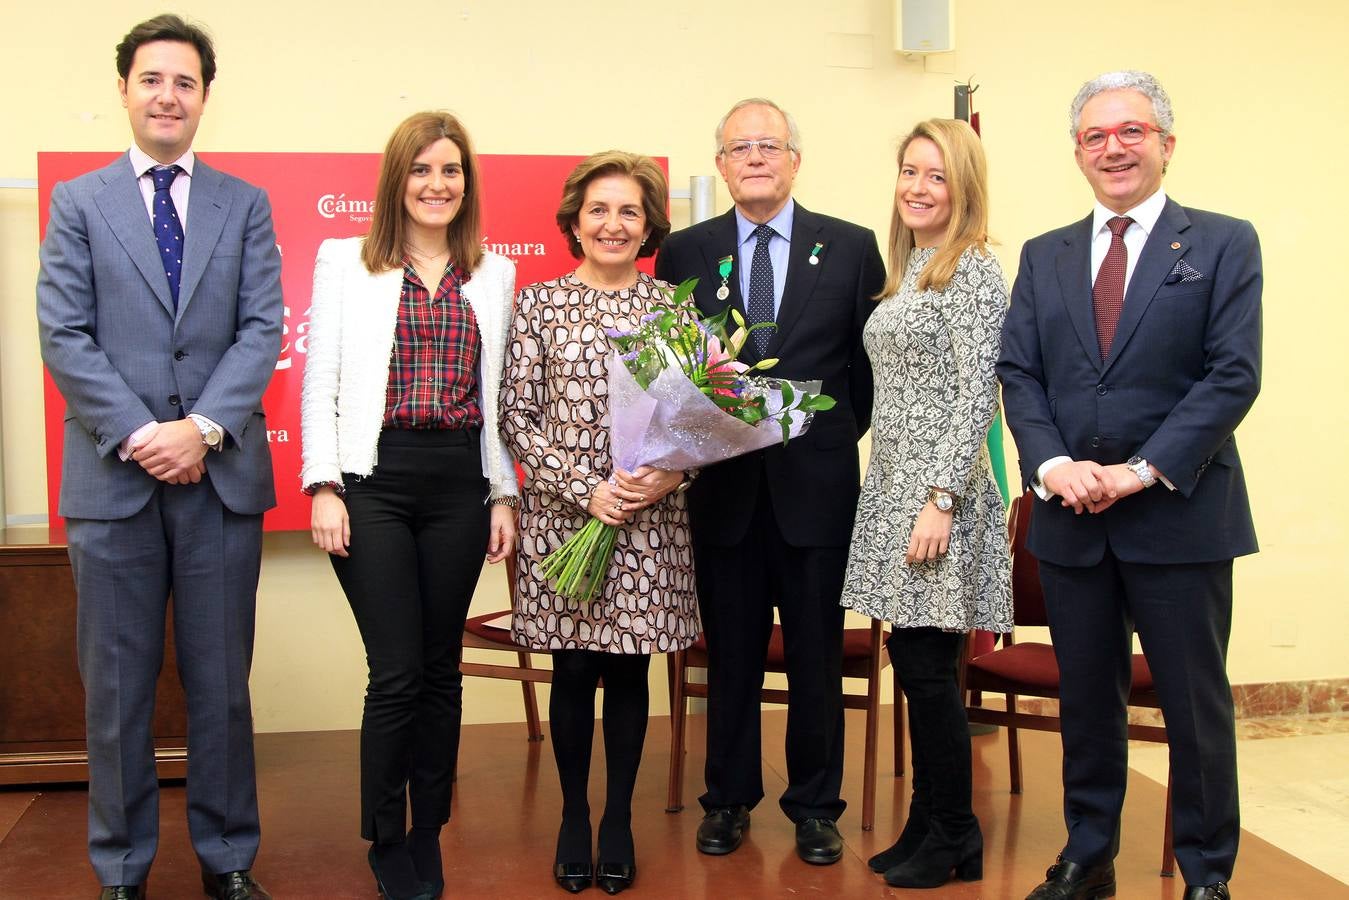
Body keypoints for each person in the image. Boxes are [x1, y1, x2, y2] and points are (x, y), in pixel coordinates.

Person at [997, 71, 1261, 900]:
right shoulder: (1045, 254)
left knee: (1192, 706)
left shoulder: (1221, 243)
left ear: (1164, 144)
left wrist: (1137, 470)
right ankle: (1088, 853)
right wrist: (1049, 467)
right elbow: (1019, 373)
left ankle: (1205, 872)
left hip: (1179, 515)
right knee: (1086, 702)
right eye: (1094, 136)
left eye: (1130, 132)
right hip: (1070, 517)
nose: (1112, 147)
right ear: (1076, 152)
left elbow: (1230, 377)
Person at [35, 15, 281, 900]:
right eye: (151, 79)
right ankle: (121, 869)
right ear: (125, 91)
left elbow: (261, 330)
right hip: (113, 483)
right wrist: (147, 434)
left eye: (184, 81)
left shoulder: (243, 203)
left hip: (220, 484)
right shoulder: (78, 200)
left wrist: (204, 429)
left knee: (221, 693)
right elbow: (63, 332)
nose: (167, 95)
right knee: (115, 696)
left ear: (204, 96)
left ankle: (227, 861)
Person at [654, 98, 886, 865]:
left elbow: (864, 379)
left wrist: (805, 441)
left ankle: (816, 807)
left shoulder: (850, 249)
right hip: (721, 498)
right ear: (719, 164)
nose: (754, 157)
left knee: (817, 658)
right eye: (738, 147)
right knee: (731, 657)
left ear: (794, 159)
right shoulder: (684, 252)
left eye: (769, 145)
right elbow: (675, 379)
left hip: (815, 495)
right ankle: (726, 800)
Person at [299, 111, 519, 900]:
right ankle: (385, 836)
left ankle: (430, 828)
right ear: (397, 180)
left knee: (440, 670)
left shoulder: (492, 274)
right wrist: (323, 485)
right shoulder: (345, 262)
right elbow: (318, 379)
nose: (437, 184)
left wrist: (502, 494)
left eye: (451, 171)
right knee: (394, 672)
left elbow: (496, 401)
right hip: (374, 482)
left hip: (460, 483)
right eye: (421, 170)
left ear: (467, 184)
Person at [500, 151, 698, 895]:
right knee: (574, 666)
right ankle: (572, 818)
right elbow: (516, 416)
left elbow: (701, 423)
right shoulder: (539, 304)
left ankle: (617, 819)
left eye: (628, 212)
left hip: (649, 523)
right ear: (574, 223)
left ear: (647, 226)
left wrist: (673, 472)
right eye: (598, 211)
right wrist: (585, 491)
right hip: (565, 516)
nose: (613, 224)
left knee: (627, 669)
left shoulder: (670, 310)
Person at [842, 118, 1012, 889]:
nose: (917, 186)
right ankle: (930, 822)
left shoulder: (972, 271)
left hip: (937, 494)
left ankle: (954, 831)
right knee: (917, 661)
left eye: (936, 175)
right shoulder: (909, 267)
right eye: (909, 171)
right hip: (895, 485)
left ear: (963, 188)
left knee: (923, 663)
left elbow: (980, 393)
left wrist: (939, 498)